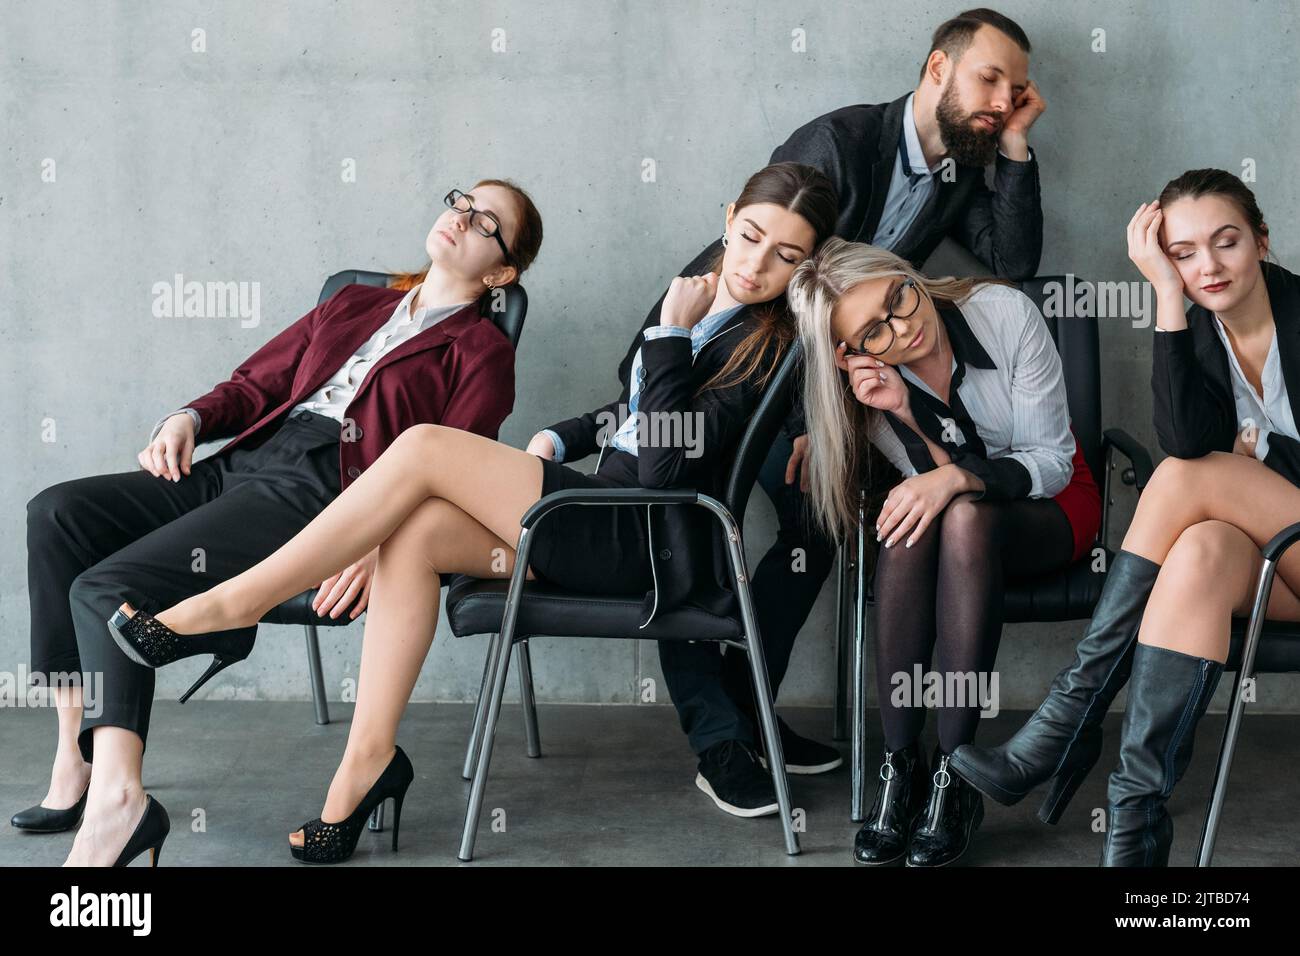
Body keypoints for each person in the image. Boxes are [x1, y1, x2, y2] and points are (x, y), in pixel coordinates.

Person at [101, 162, 839, 863]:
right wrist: (570, 434)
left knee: (425, 446)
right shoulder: (699, 300)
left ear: (803, 267)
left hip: (646, 540)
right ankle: (366, 766)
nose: (755, 265)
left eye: (784, 256)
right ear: (730, 219)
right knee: (413, 537)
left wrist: (671, 335)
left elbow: (668, 465)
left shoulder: (770, 344)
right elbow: (638, 414)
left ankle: (231, 603)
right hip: (597, 517)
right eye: (749, 237)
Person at [20, 178, 543, 866]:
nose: (461, 217)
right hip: (244, 462)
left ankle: (120, 802)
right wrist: (191, 417)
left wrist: (374, 543)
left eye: (485, 222)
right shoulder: (355, 304)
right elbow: (259, 382)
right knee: (55, 515)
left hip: (319, 491)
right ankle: (73, 760)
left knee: (104, 587)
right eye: (460, 202)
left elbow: (454, 465)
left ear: (501, 271)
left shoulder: (480, 351)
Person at [638, 7, 1049, 816]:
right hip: (722, 362)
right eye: (988, 79)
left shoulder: (955, 171)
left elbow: (1014, 260)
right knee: (685, 521)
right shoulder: (839, 142)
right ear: (937, 70)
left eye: (1017, 87)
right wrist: (801, 428)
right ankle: (719, 740)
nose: (1003, 97)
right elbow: (783, 273)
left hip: (802, 382)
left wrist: (1013, 148)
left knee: (820, 525)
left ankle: (749, 705)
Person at [949, 169, 1300, 865]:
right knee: (1197, 550)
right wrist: (1168, 301)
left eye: (1226, 243)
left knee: (1181, 482)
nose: (1208, 266)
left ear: (1261, 240)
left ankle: (1065, 722)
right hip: (1282, 565)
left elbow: (1189, 467)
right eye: (1184, 254)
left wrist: (1258, 462)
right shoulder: (1200, 331)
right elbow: (1186, 439)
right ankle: (1137, 823)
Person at [789, 237, 1099, 865]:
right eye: (874, 333)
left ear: (907, 275)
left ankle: (955, 772)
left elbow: (1051, 461)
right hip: (968, 528)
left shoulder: (1006, 314)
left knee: (956, 510)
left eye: (899, 298)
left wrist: (957, 475)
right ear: (849, 354)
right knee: (921, 520)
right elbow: (930, 485)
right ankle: (901, 767)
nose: (904, 329)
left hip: (1057, 506)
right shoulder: (874, 388)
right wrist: (905, 413)